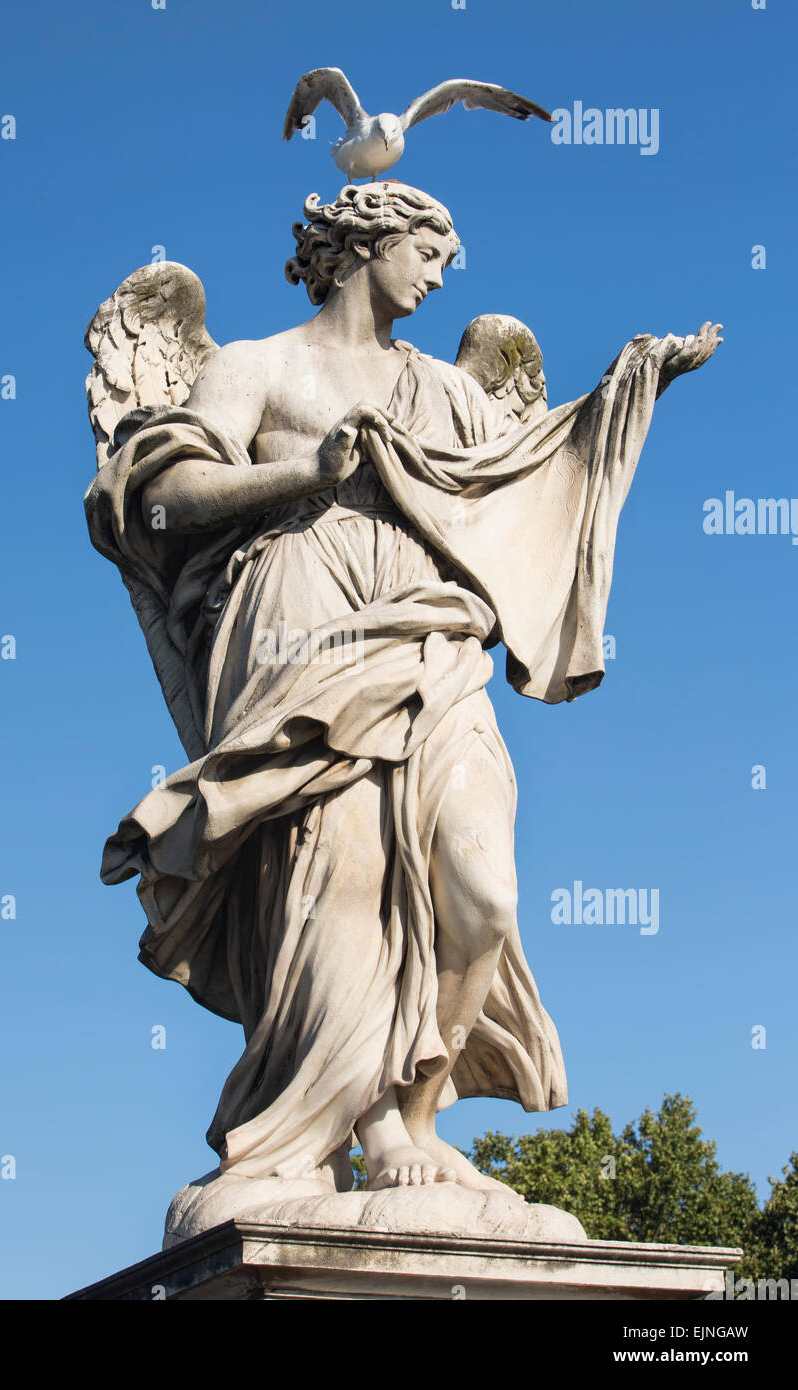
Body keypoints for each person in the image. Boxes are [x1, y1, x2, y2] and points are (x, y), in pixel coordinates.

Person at [85, 183, 720, 1193]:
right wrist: (305, 476)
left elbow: (528, 479)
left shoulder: (454, 393)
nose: (442, 268)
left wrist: (629, 390)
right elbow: (159, 499)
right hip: (298, 623)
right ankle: (362, 1131)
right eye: (427, 247)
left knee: (480, 885)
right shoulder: (259, 367)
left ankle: (419, 1109)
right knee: (335, 878)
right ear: (360, 247)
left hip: (430, 636)